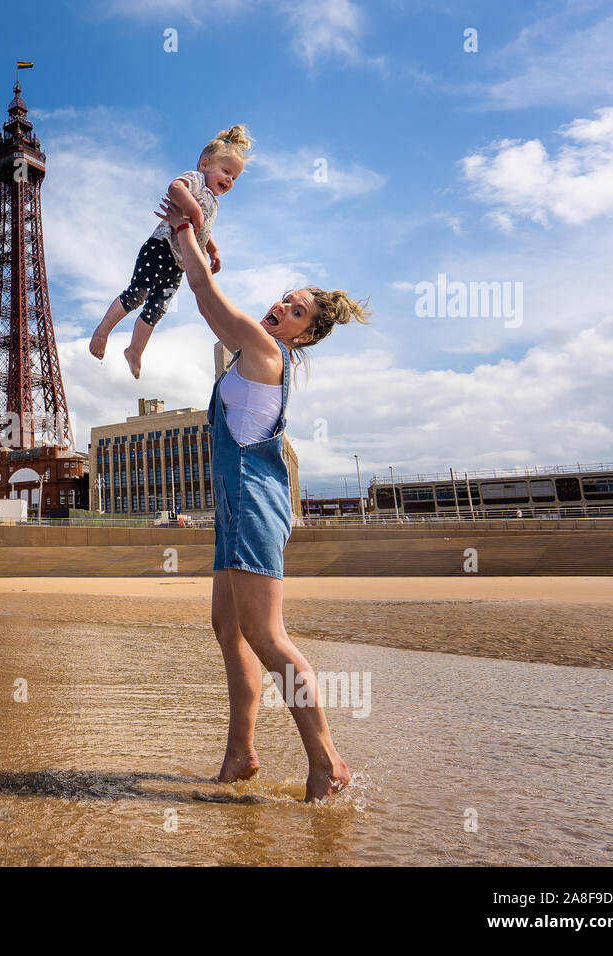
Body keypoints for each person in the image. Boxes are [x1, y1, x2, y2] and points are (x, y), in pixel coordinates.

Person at [155, 194, 370, 801]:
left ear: (305, 335)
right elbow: (199, 283)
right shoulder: (254, 350)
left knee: (267, 634)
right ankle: (241, 752)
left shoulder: (265, 350)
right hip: (234, 503)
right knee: (228, 625)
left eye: (296, 310)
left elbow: (201, 294)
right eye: (285, 299)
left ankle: (327, 760)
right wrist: (190, 237)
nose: (281, 308)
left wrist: (187, 232)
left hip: (252, 501)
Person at [89, 126, 250, 379]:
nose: (229, 180)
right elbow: (175, 187)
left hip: (178, 263)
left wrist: (214, 249)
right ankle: (103, 330)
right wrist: (193, 210)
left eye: (235, 178)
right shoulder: (196, 180)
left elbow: (203, 231)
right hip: (160, 247)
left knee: (158, 307)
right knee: (136, 293)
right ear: (205, 164)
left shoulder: (213, 202)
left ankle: (134, 350)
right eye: (226, 171)